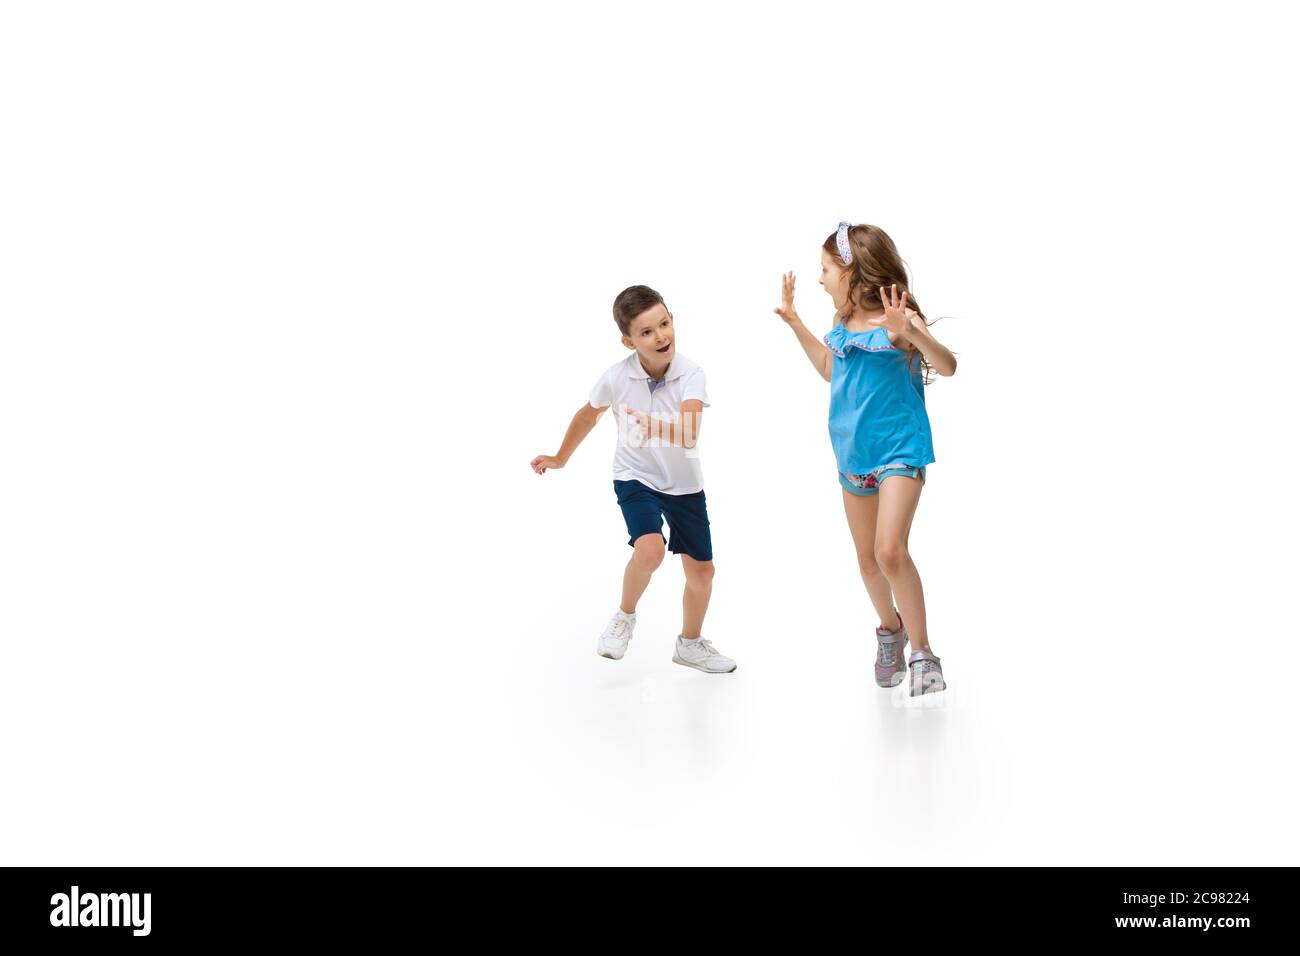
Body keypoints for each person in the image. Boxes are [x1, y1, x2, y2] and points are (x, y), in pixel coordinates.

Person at [773, 222, 956, 695]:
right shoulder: (841, 324)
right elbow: (830, 370)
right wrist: (795, 322)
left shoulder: (898, 320)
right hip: (852, 454)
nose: (819, 279)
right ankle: (888, 631)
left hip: (900, 449)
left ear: (854, 272)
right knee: (867, 560)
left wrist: (913, 334)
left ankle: (923, 655)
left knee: (889, 550)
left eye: (826, 269)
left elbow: (950, 365)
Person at [531, 285, 736, 673]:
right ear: (628, 341)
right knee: (651, 550)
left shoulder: (692, 373)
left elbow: (689, 432)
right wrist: (560, 457)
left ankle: (690, 645)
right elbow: (587, 416)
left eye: (664, 324)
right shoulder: (616, 378)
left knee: (702, 572)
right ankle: (624, 616)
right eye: (646, 332)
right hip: (635, 476)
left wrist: (653, 425)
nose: (661, 336)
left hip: (684, 484)